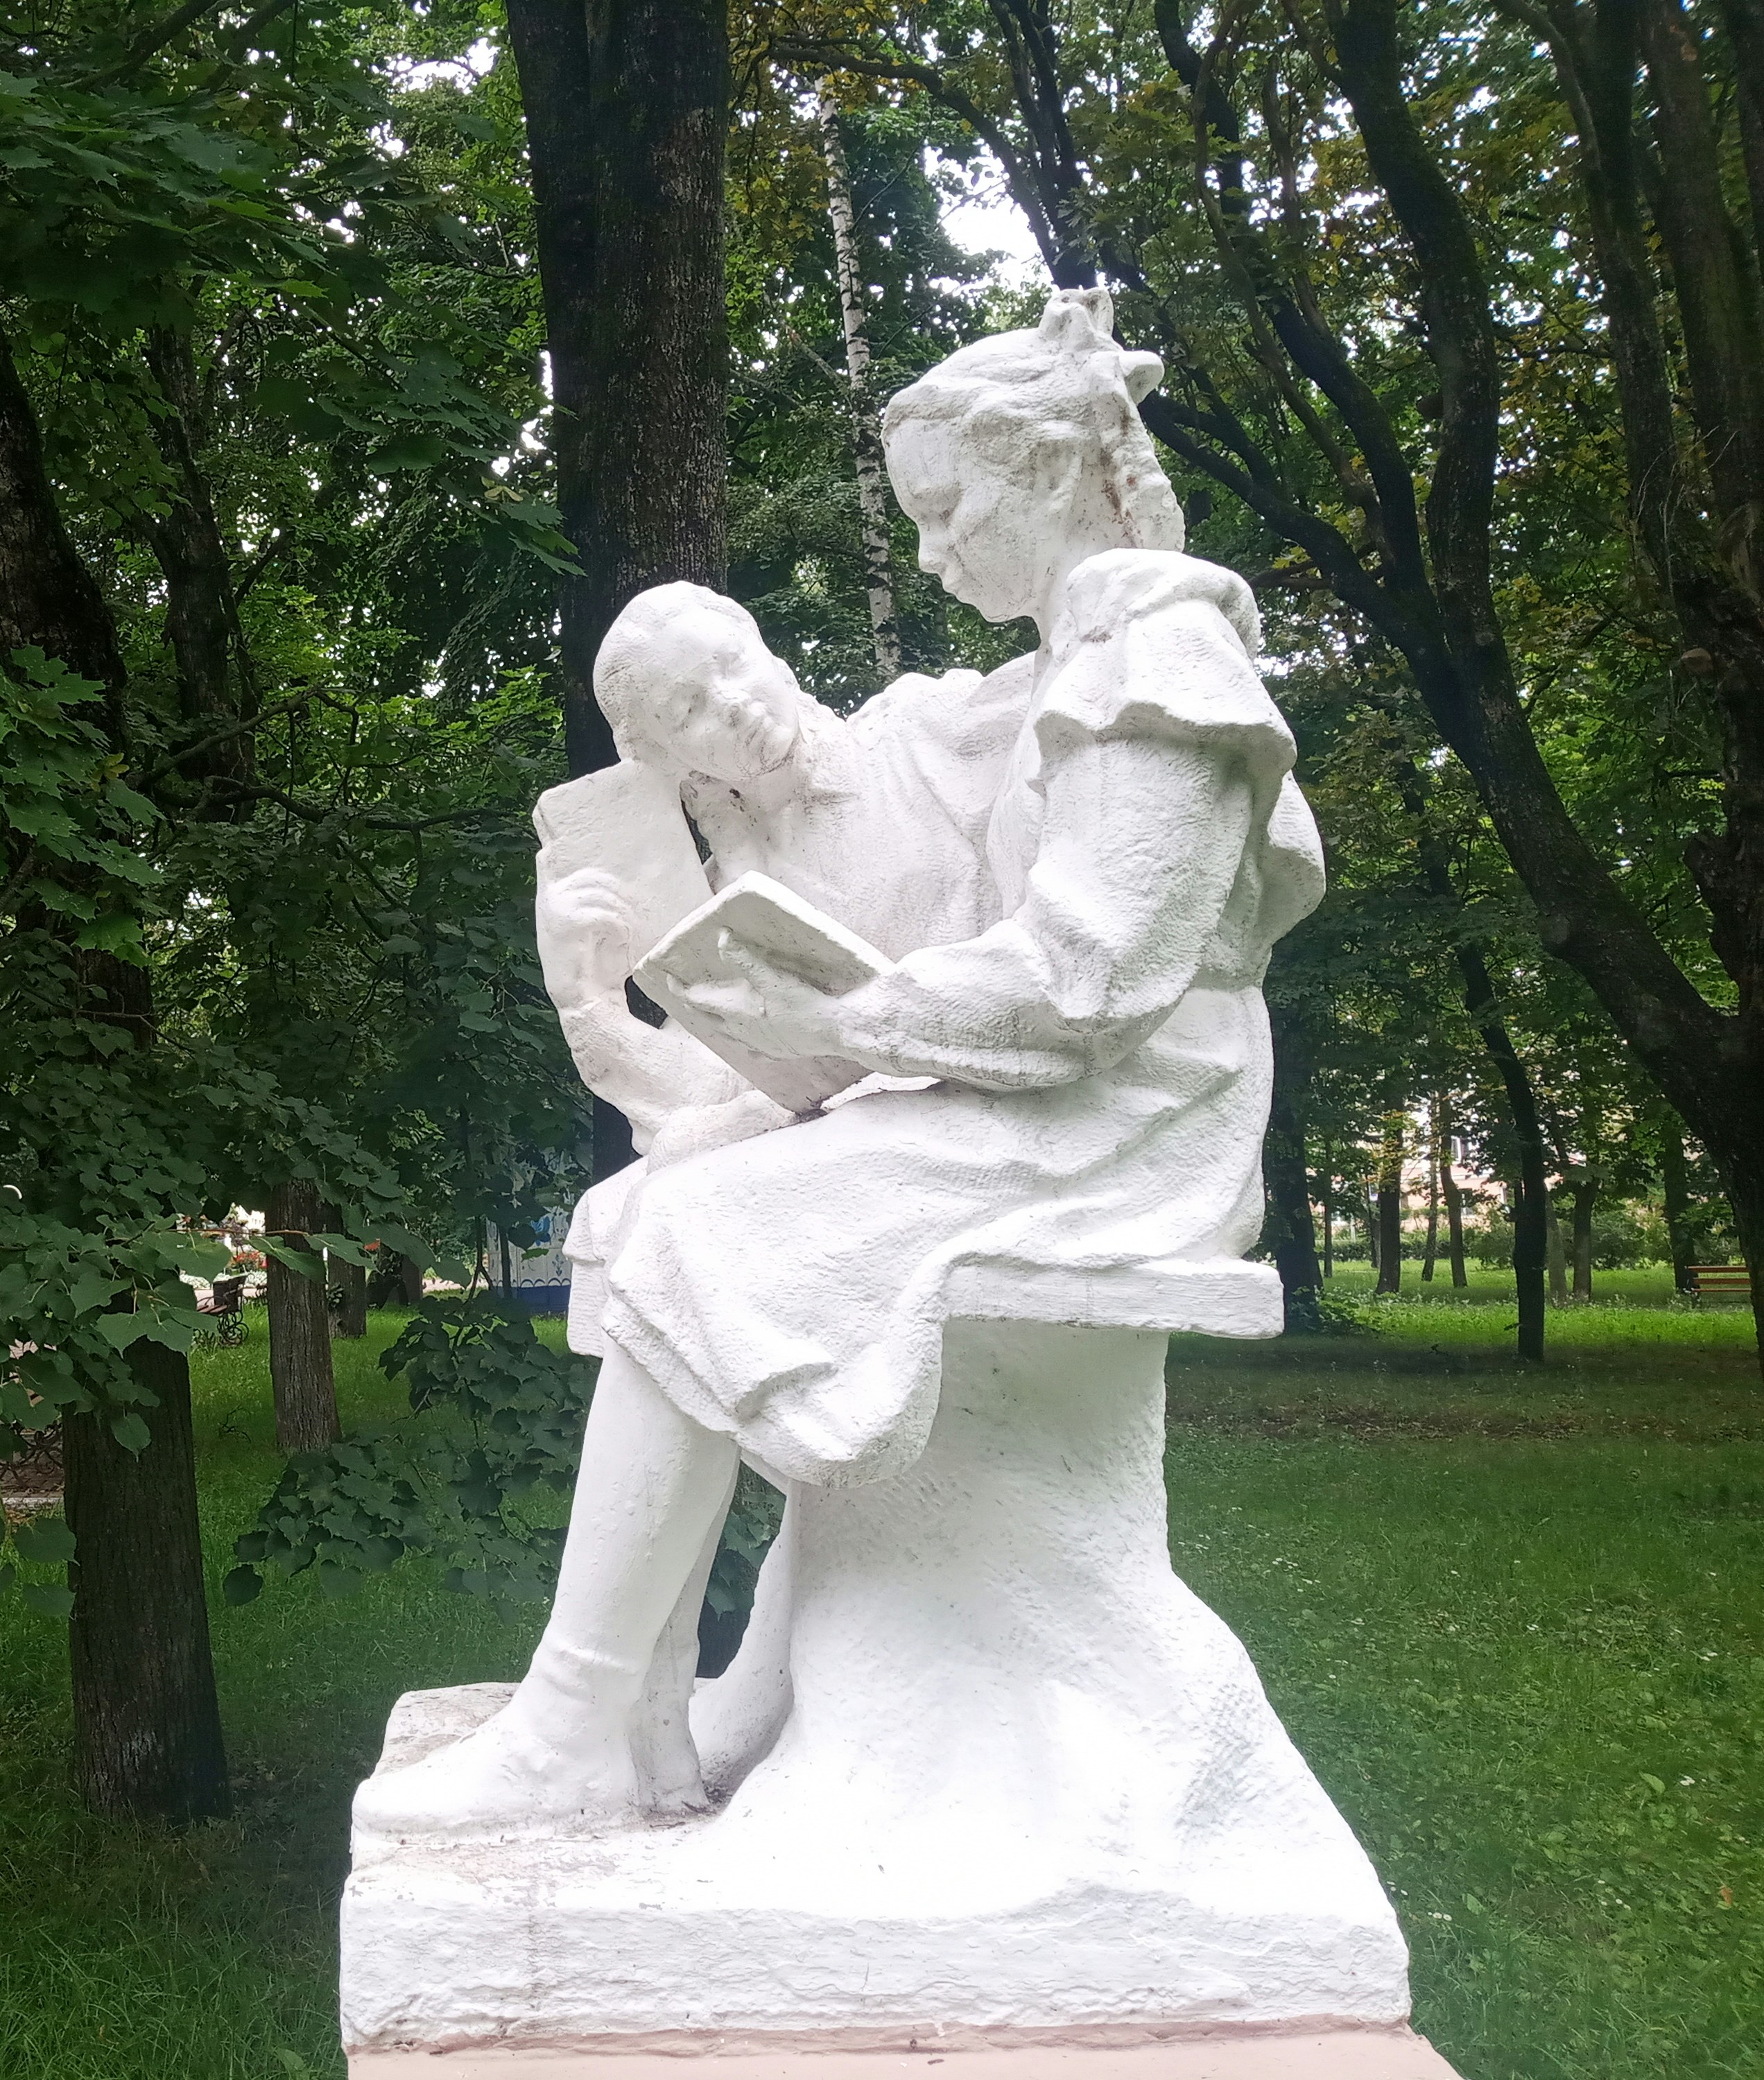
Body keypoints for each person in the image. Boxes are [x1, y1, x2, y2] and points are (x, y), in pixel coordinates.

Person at [355, 288, 1323, 1841]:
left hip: (1126, 1114)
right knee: (665, 1214)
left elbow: (1087, 979)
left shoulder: (1157, 663)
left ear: (1048, 471)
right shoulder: (1075, 661)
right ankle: (681, 1699)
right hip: (1040, 1088)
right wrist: (625, 1011)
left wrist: (839, 1027)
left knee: (710, 1229)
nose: (932, 556)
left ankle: (575, 1720)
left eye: (945, 514)